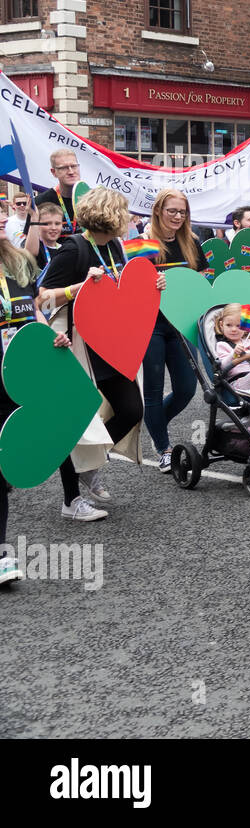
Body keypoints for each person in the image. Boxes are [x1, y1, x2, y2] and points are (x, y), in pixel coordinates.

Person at [39, 186, 155, 519]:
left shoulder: (115, 246)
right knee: (73, 420)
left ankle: (89, 465)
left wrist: (151, 285)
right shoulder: (74, 248)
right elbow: (43, 299)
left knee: (131, 409)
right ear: (112, 215)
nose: (128, 219)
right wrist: (78, 288)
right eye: (124, 213)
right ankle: (71, 500)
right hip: (77, 346)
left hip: (111, 344)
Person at [0, 227, 74, 583]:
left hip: (17, 376)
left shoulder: (18, 263)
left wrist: (49, 336)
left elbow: (34, 314)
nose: (2, 219)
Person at [141, 190, 204, 472]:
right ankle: (163, 448)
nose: (178, 217)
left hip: (180, 324)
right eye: (172, 211)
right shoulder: (142, 244)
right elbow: (130, 284)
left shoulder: (191, 242)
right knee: (153, 390)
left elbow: (203, 277)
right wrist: (151, 282)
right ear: (158, 211)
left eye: (183, 212)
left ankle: (156, 424)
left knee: (187, 389)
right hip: (149, 324)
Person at [34, 149, 81, 232]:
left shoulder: (93, 200)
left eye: (73, 166)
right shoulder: (40, 202)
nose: (71, 171)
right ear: (53, 172)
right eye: (64, 168)